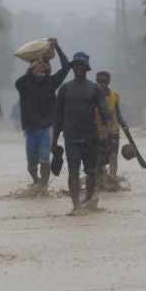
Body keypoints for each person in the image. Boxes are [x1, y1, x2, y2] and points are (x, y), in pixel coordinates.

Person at [51, 52, 110, 215]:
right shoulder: (64, 89)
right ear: (72, 68)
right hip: (71, 137)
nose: (78, 68)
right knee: (73, 171)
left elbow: (105, 114)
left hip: (91, 137)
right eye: (75, 65)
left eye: (81, 65)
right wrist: (54, 140)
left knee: (91, 172)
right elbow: (58, 117)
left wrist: (109, 133)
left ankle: (89, 199)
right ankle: (76, 204)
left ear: (86, 68)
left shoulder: (94, 88)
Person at [14, 38, 70, 187]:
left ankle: (44, 187)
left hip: (47, 128)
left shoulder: (51, 83)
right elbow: (17, 83)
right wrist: (32, 73)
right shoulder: (24, 84)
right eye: (39, 69)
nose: (42, 72)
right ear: (31, 70)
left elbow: (66, 67)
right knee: (31, 164)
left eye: (45, 70)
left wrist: (57, 47)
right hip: (30, 129)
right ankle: (35, 180)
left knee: (45, 159)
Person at [93, 69, 129, 180]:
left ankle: (112, 179)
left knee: (113, 155)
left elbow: (117, 113)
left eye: (105, 81)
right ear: (96, 81)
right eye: (100, 81)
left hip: (113, 132)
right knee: (98, 159)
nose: (103, 84)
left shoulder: (114, 96)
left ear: (109, 81)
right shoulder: (91, 95)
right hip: (97, 133)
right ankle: (100, 178)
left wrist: (124, 125)